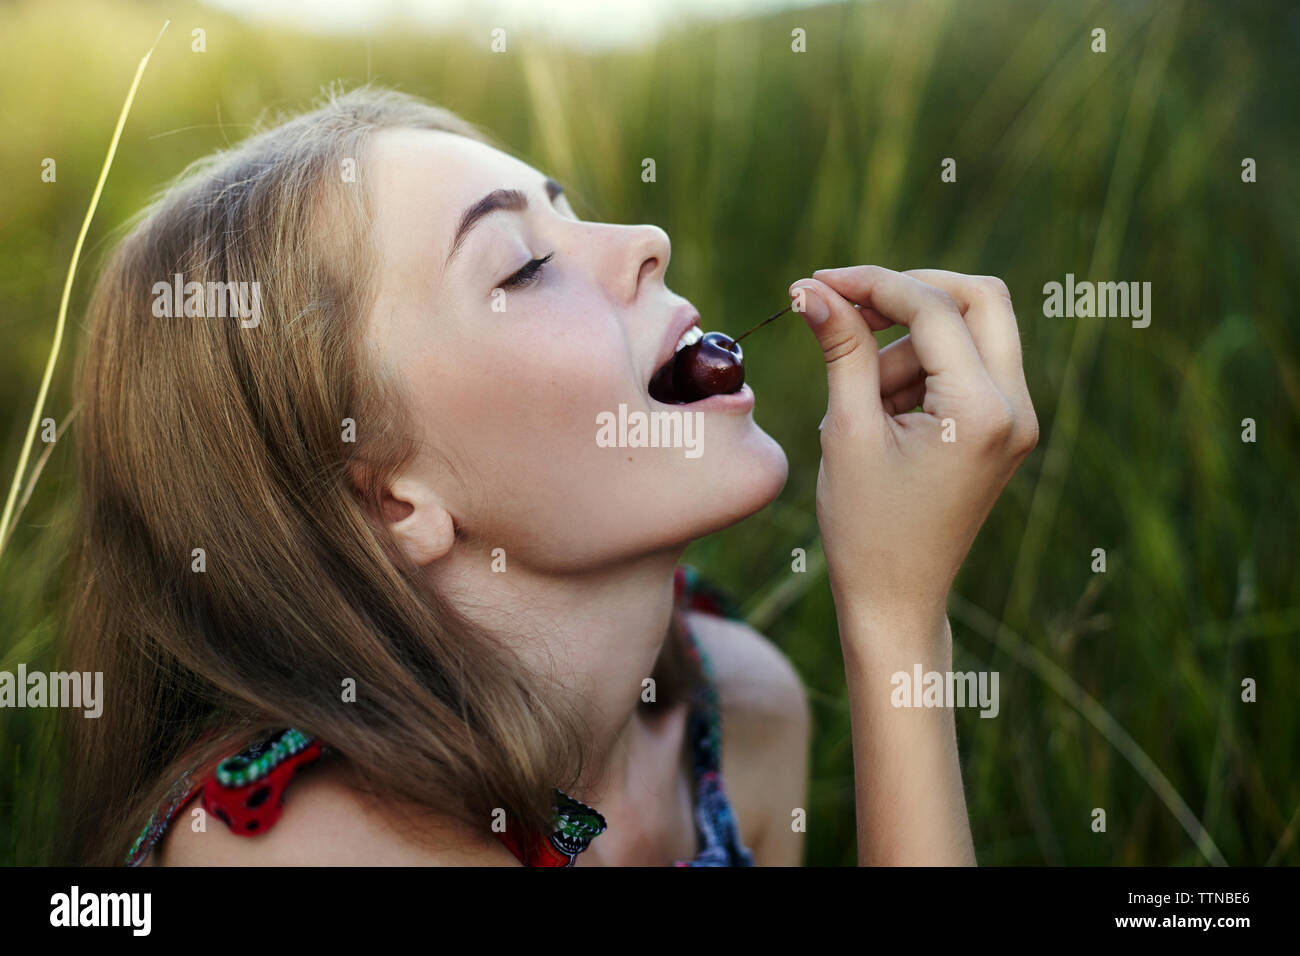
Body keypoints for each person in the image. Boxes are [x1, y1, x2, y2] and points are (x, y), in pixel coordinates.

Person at [59, 86, 1036, 867]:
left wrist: (903, 619)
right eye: (523, 264)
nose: (646, 238)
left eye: (572, 212)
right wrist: (895, 622)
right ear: (392, 498)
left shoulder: (744, 712)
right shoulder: (300, 851)